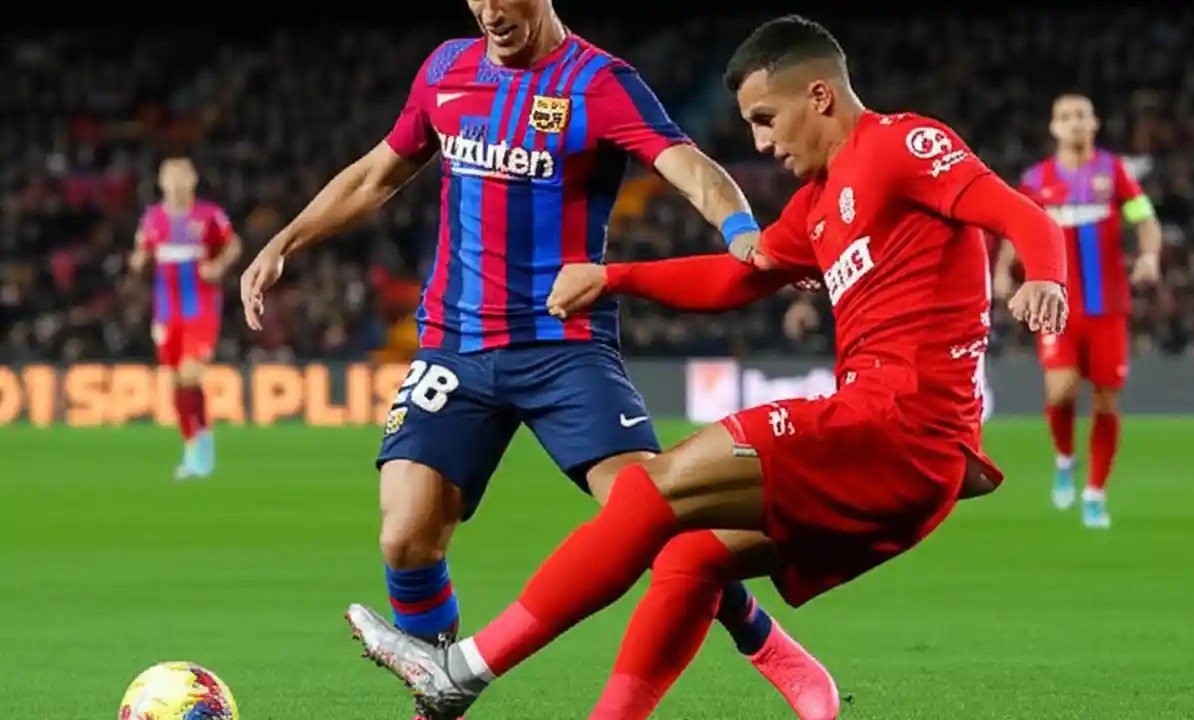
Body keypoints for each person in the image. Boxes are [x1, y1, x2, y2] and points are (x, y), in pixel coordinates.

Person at [343, 14, 1069, 719]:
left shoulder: (902, 144)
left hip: (893, 426)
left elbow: (1023, 214)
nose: (761, 141)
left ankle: (460, 669)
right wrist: (615, 278)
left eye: (764, 117)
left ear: (819, 95)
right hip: (899, 465)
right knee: (691, 557)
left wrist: (1045, 277)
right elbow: (734, 281)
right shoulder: (818, 207)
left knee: (649, 492)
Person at [239, 2, 835, 719]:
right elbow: (376, 174)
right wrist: (284, 242)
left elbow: (694, 172)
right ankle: (439, 690)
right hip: (455, 346)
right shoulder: (446, 70)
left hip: (564, 347)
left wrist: (744, 236)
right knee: (405, 537)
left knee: (651, 515)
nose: (491, 11)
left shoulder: (602, 83)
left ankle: (770, 645)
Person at [993, 93, 1162, 528]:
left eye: (1082, 115)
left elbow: (1144, 217)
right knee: (1061, 390)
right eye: (1065, 117)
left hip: (1108, 306)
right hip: (1057, 303)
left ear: (1095, 123)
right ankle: (1066, 458)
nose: (1074, 123)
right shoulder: (1037, 179)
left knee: (1105, 400)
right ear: (1053, 128)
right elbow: (1017, 226)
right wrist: (1003, 270)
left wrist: (1148, 256)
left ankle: (1095, 492)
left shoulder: (1114, 172)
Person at [130, 156, 241, 479]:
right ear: (162, 182)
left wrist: (219, 266)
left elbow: (233, 244)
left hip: (200, 310)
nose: (177, 182)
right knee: (178, 381)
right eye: (170, 176)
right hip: (166, 311)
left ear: (192, 180)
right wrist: (138, 260)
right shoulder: (153, 219)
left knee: (191, 374)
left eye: (182, 175)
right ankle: (193, 442)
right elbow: (140, 251)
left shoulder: (208, 216)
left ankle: (201, 448)